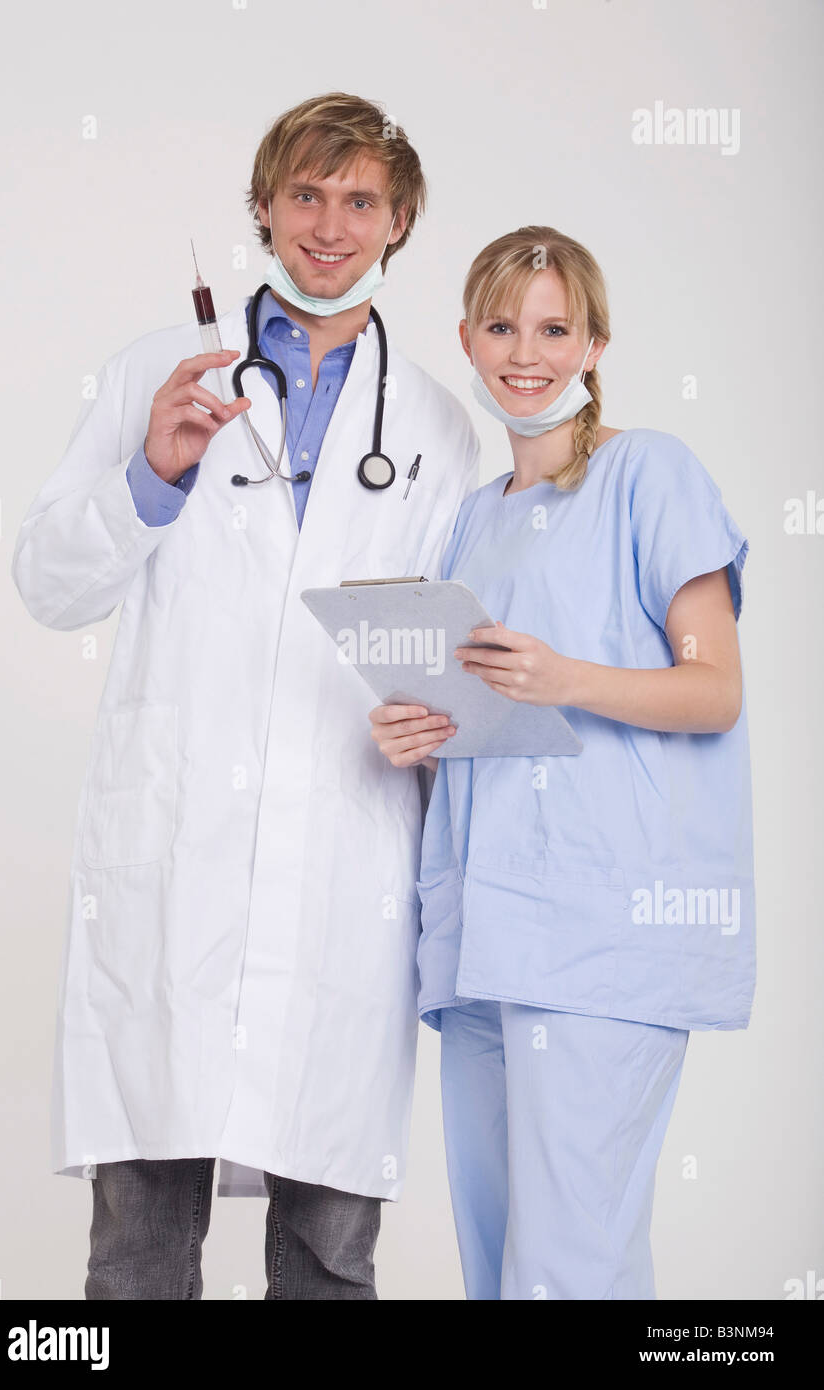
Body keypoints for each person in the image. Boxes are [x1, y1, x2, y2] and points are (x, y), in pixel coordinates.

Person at [11, 92, 480, 1300]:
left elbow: (446, 660)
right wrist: (151, 474)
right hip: (173, 858)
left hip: (344, 865)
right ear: (263, 209)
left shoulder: (433, 424)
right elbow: (49, 583)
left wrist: (435, 724)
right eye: (305, 195)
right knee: (136, 1255)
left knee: (329, 1256)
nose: (329, 225)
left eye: (359, 199)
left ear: (401, 217)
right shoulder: (156, 372)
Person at [370, 225, 755, 1300]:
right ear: (465, 338)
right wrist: (418, 739)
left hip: (602, 934)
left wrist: (566, 677)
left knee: (568, 1272)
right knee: (495, 1271)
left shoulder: (649, 472)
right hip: (486, 937)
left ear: (593, 342)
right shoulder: (471, 521)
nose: (523, 351)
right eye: (500, 325)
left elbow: (712, 686)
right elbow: (488, 727)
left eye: (551, 327)